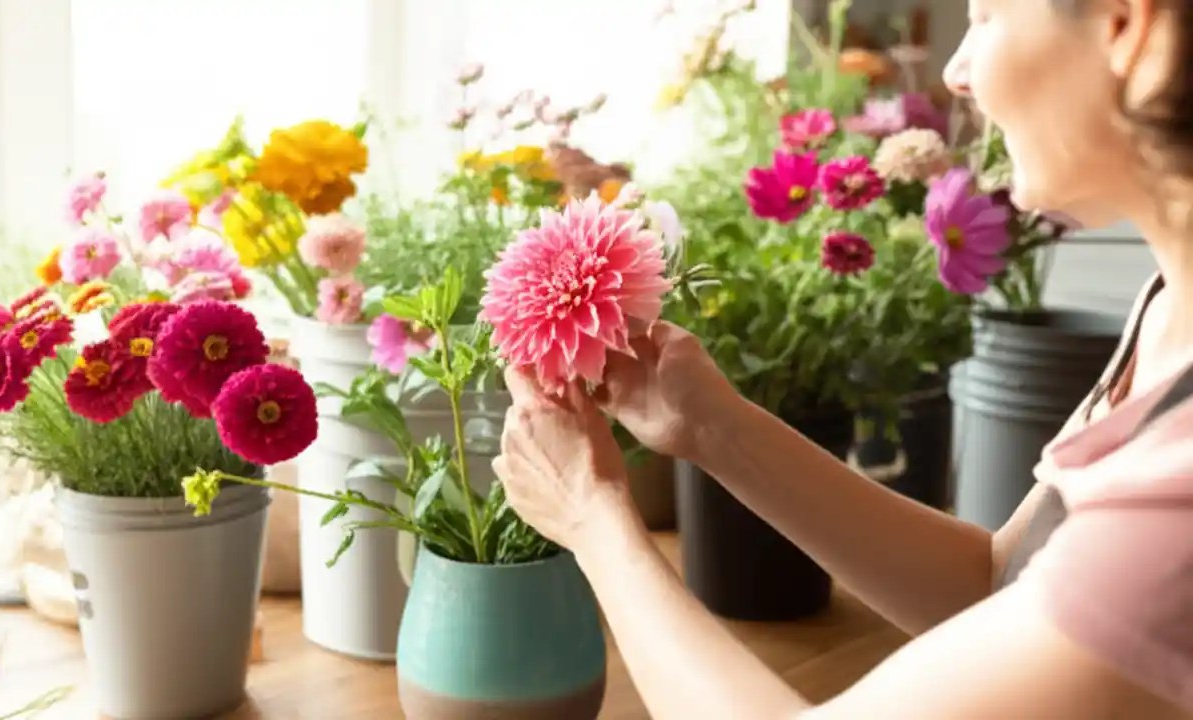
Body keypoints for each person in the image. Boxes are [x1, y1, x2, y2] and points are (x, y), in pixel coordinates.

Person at [491, 1, 1193, 717]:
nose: (955, 72)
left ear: (1121, 24)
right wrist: (712, 426)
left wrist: (593, 519)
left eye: (984, 18)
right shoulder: (1169, 308)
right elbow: (996, 582)